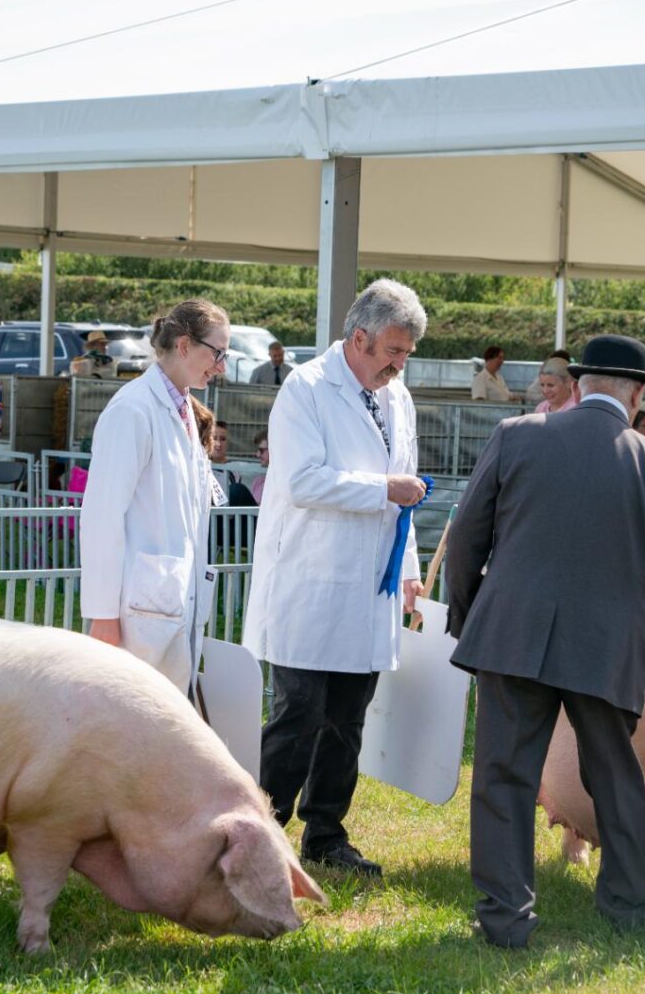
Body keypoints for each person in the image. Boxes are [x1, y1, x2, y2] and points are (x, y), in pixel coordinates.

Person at [447, 335, 645, 949]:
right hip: (606, 648)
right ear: (637, 396)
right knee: (615, 774)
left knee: (503, 776)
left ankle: (505, 917)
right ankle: (628, 904)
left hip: (513, 635)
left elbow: (467, 532)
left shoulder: (516, 436)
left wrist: (471, 614)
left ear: (578, 386)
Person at [243, 279, 429, 878]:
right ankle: (260, 828)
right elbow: (302, 481)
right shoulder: (305, 390)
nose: (399, 367)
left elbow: (407, 485)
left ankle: (326, 833)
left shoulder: (396, 396)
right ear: (359, 338)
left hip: (370, 582)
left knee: (349, 717)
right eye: (392, 353)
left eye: (406, 355)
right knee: (299, 712)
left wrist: (410, 571)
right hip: (311, 579)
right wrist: (383, 491)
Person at [79, 298, 229, 696]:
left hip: (168, 604)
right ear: (184, 346)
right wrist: (103, 615)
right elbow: (101, 516)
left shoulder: (183, 412)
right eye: (218, 353)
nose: (222, 367)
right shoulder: (132, 411)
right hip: (137, 612)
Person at [250, 430, 269, 504]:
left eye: (261, 450)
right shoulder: (258, 480)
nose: (257, 455)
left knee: (237, 490)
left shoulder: (281, 480)